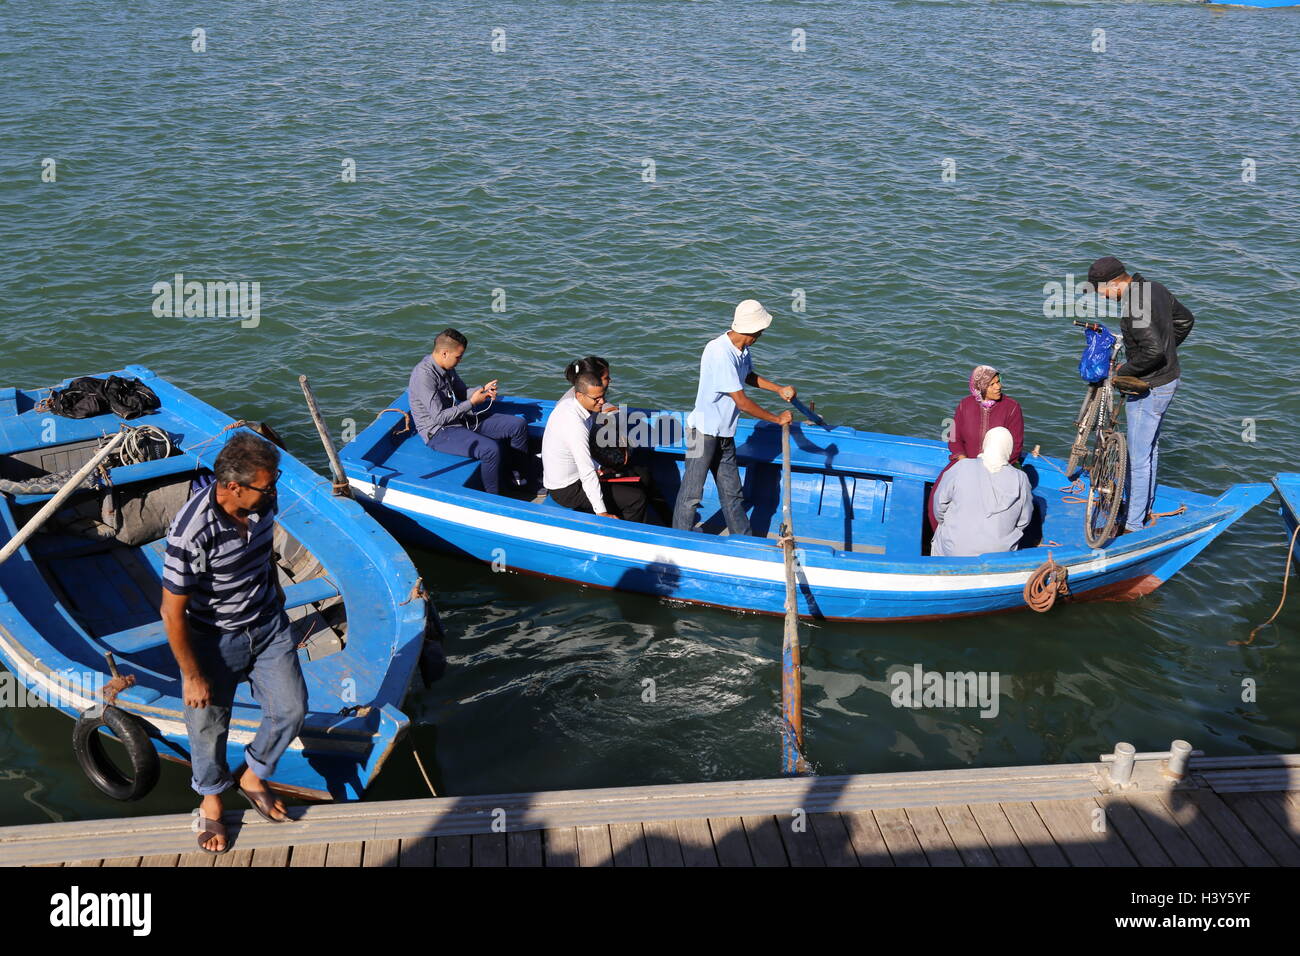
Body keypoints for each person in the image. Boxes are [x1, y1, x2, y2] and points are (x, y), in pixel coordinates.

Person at [161, 432, 308, 855]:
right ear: (232, 487)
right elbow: (171, 612)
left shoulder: (263, 503)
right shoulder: (191, 533)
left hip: (269, 626)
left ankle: (253, 775)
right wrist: (191, 676)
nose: (274, 491)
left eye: (274, 482)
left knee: (291, 709)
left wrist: (276, 596)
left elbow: (264, 558)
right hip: (215, 640)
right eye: (267, 485)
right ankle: (210, 797)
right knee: (208, 727)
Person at [1087, 256, 1194, 533]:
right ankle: (1143, 506)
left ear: (1112, 284)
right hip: (1169, 380)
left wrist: (1125, 369)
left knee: (1137, 457)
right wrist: (1169, 351)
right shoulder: (1155, 288)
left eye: (1099, 290)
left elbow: (1153, 351)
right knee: (1149, 450)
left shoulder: (1133, 307)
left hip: (1149, 386)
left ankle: (1132, 524)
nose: (1102, 296)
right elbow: (1185, 320)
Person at [672, 299, 795, 536]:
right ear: (753, 330)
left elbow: (747, 376)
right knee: (691, 493)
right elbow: (742, 401)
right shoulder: (719, 352)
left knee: (732, 492)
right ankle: (680, 537)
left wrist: (777, 389)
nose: (762, 334)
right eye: (761, 330)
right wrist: (777, 419)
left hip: (724, 432)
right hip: (703, 432)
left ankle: (742, 538)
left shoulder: (741, 350)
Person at [408, 328, 530, 496]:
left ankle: (516, 476)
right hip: (439, 432)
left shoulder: (447, 367)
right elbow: (439, 417)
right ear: (444, 353)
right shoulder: (424, 376)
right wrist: (471, 403)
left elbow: (461, 392)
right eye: (458, 357)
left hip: (460, 419)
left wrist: (482, 391)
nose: (460, 360)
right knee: (490, 450)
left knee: (518, 425)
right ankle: (494, 498)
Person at [928, 365, 1025, 530]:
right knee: (936, 496)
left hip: (998, 466)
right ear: (980, 387)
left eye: (998, 382)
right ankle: (937, 534)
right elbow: (953, 438)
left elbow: (1016, 445)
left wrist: (991, 466)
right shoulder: (964, 405)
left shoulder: (1012, 408)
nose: (998, 386)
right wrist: (963, 461)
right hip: (965, 462)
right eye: (992, 384)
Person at [543, 372, 648, 521]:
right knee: (636, 499)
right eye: (596, 399)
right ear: (579, 395)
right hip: (568, 489)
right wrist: (602, 513)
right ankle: (623, 537)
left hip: (577, 476)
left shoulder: (575, 407)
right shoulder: (575, 425)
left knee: (643, 474)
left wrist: (599, 467)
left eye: (603, 396)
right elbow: (586, 472)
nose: (602, 402)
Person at [931, 427, 1034, 557]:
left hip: (955, 551)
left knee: (943, 528)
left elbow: (939, 506)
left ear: (986, 444)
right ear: (1009, 448)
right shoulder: (1021, 479)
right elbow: (1024, 521)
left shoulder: (961, 467)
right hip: (999, 553)